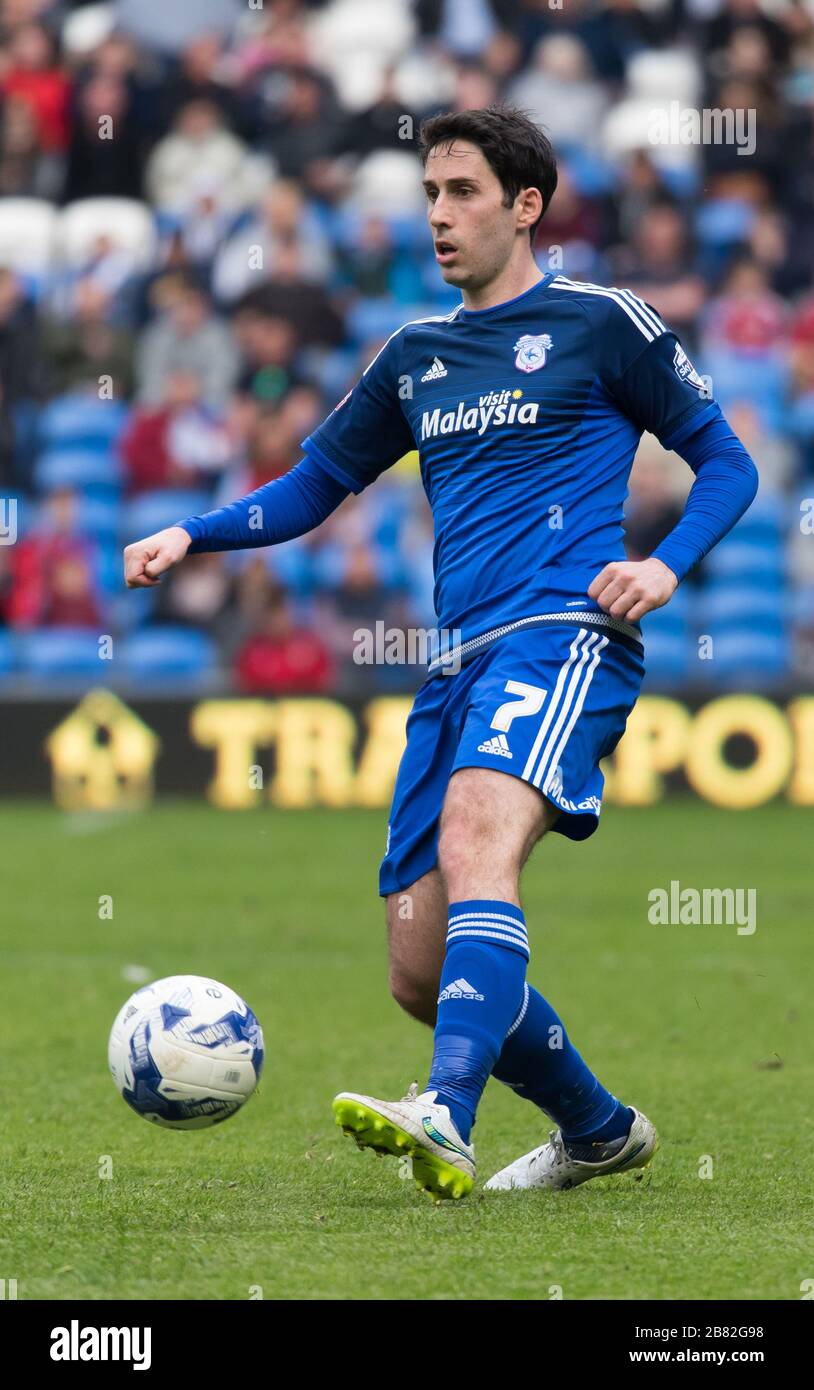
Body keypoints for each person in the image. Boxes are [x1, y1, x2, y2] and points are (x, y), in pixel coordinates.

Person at [123, 106, 758, 1203]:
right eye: (428, 194)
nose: (438, 215)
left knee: (477, 843)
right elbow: (316, 485)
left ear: (525, 206)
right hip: (453, 664)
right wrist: (195, 532)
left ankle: (447, 1113)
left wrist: (663, 568)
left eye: (462, 192)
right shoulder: (413, 356)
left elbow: (727, 462)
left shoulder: (601, 320)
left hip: (564, 635)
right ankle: (598, 1130)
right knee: (420, 965)